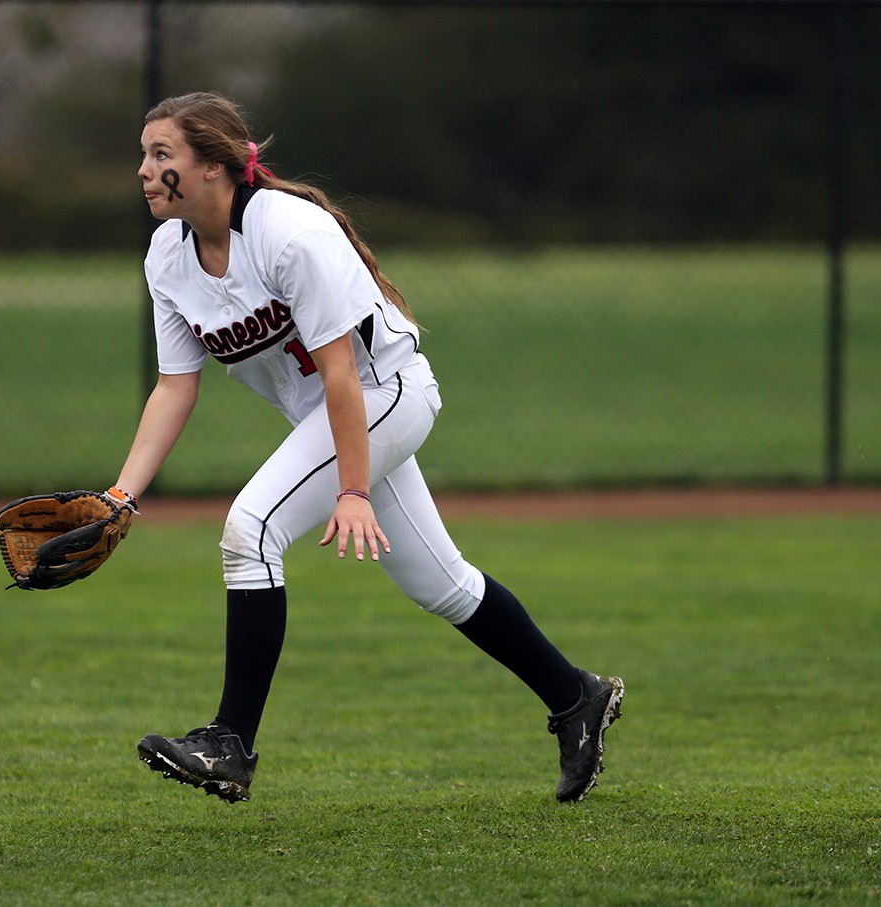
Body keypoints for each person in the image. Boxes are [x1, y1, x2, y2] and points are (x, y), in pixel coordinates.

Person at [118, 91, 623, 803]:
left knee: (250, 529)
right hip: (336, 416)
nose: (144, 169)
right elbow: (175, 387)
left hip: (385, 393)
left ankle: (230, 742)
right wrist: (121, 496)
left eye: (161, 154)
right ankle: (577, 695)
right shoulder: (168, 256)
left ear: (215, 165)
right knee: (443, 585)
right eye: (144, 153)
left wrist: (353, 489)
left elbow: (341, 373)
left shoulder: (287, 232)